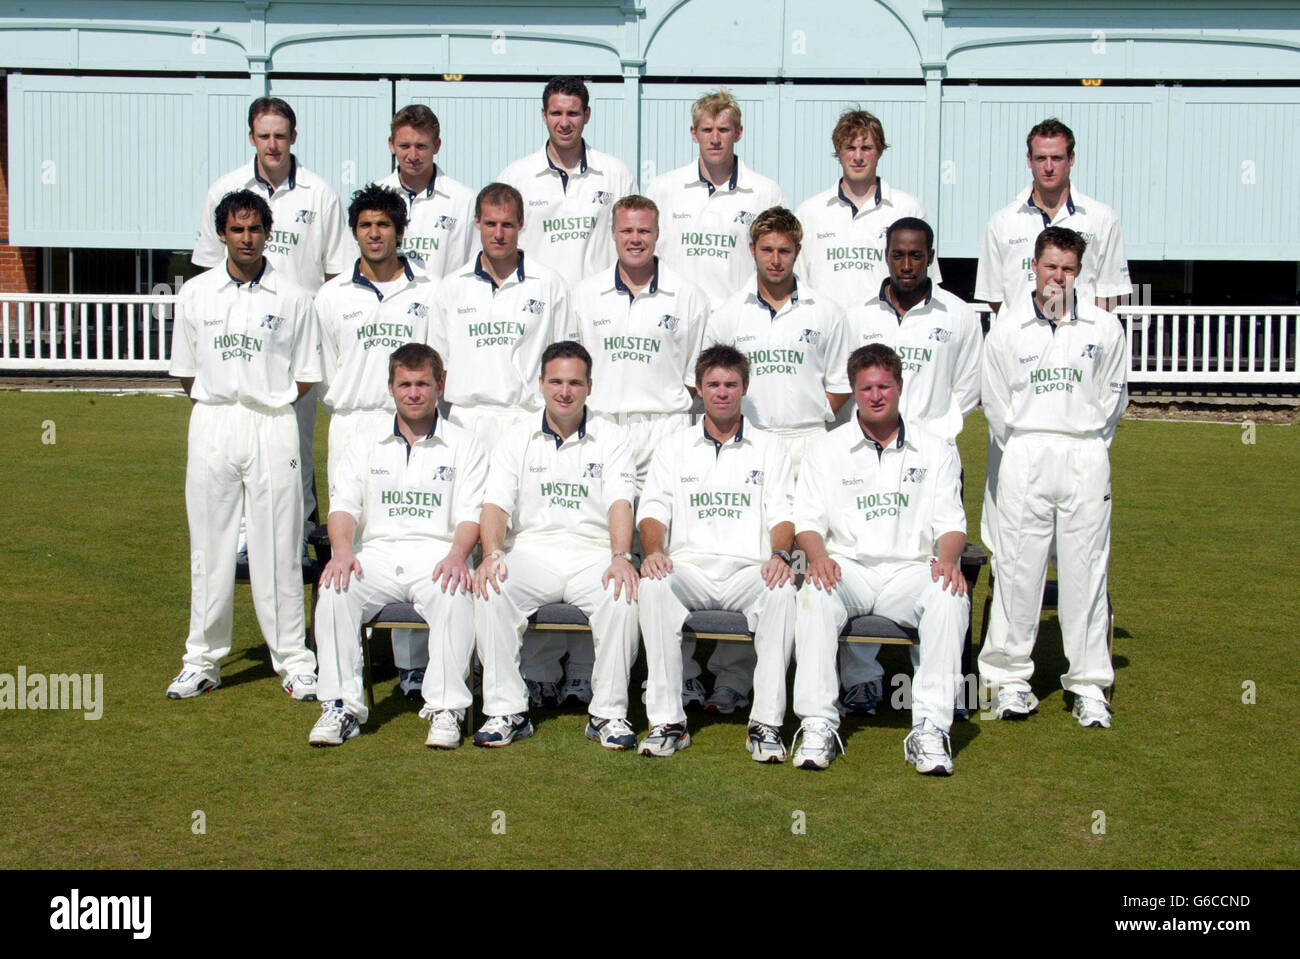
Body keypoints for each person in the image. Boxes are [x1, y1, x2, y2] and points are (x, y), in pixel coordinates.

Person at [165, 189, 321, 700]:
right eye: (237, 229)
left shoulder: (294, 297)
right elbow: (187, 373)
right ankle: (203, 658)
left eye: (255, 229)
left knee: (279, 545)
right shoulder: (195, 294)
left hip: (273, 421)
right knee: (209, 544)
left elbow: (304, 376)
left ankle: (294, 659)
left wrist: (267, 401)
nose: (247, 238)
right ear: (222, 234)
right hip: (213, 421)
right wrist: (224, 403)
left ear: (267, 233)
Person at [790, 344, 968, 775]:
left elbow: (951, 524)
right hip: (848, 569)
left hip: (911, 570)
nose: (875, 396)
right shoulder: (826, 449)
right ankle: (817, 723)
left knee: (949, 594)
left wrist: (946, 561)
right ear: (853, 391)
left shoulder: (936, 449)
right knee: (814, 590)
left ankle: (930, 728)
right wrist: (817, 557)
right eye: (865, 388)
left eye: (884, 386)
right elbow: (807, 521)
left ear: (900, 387)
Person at [978, 226, 1127, 729]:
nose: (1057, 276)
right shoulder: (1007, 329)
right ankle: (1009, 680)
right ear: (1034, 267)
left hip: (1083, 452)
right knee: (1018, 566)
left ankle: (1088, 685)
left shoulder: (1104, 329)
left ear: (1079, 272)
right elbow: (995, 403)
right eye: (1049, 266)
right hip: (1024, 451)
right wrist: (1023, 446)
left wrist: (1081, 444)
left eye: (1067, 268)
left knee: (1086, 570)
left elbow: (1112, 401)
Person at [837, 216, 981, 715]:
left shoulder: (959, 316)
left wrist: (932, 439)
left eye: (916, 255)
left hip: (930, 459)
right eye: (898, 254)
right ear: (886, 254)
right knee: (862, 558)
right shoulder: (857, 317)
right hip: (870, 454)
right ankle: (861, 682)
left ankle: (938, 687)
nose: (906, 264)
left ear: (931, 256)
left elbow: (967, 387)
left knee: (938, 570)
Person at [307, 343, 486, 748]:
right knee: (335, 588)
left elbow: (470, 517)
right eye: (404, 383)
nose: (414, 393)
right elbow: (344, 508)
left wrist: (458, 556)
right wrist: (341, 552)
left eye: (423, 383)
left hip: (437, 554)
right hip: (378, 554)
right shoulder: (365, 442)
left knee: (456, 590)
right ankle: (340, 707)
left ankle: (446, 710)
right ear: (390, 387)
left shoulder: (465, 444)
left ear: (440, 385)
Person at [974, 118, 1132, 569]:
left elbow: (1109, 301)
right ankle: (1010, 592)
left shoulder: (1101, 219)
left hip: (1078, 379)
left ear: (1071, 159)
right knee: (1009, 509)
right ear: (1028, 160)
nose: (1048, 167)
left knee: (1081, 531)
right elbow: (998, 305)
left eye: (1057, 157)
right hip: (1022, 384)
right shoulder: (1003, 223)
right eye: (1040, 158)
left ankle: (1079, 606)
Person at [192, 97, 351, 540]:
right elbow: (207, 272)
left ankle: (294, 535)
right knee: (234, 441)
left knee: (293, 446)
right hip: (238, 342)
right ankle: (242, 537)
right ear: (251, 138)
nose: (273, 144)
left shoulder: (319, 194)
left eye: (280, 135)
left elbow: (336, 273)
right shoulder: (224, 189)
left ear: (293, 137)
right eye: (264, 135)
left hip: (297, 340)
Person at [471, 342, 640, 750]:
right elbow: (495, 504)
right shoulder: (516, 438)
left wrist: (620, 557)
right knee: (492, 587)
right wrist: (492, 553)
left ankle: (608, 713)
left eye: (575, 383)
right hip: (531, 552)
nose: (565, 391)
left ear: (590, 387)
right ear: (541, 384)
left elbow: (621, 502)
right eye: (557, 382)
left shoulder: (614, 439)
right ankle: (506, 709)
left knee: (623, 594)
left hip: (592, 554)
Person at [636, 345, 797, 761]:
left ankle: (766, 724)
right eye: (713, 384)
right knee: (652, 583)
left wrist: (780, 555)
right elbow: (653, 510)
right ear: (698, 389)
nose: (722, 392)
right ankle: (667, 721)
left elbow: (783, 515)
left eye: (730, 384)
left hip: (749, 572)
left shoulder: (770, 448)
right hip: (689, 568)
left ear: (745, 388)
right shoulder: (674, 447)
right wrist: (653, 551)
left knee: (782, 592)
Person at [314, 183, 442, 701]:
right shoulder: (331, 296)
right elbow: (328, 369)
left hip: (410, 420)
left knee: (410, 535)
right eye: (365, 225)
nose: (374, 233)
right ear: (354, 233)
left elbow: (434, 363)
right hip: (352, 422)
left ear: (400, 231)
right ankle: (353, 665)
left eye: (383, 225)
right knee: (356, 543)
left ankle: (415, 664)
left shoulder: (428, 292)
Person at [704, 206, 852, 472]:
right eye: (766, 250)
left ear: (798, 250)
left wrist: (811, 412)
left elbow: (841, 382)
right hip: (749, 437)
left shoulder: (827, 312)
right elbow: (710, 381)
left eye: (784, 251)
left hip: (809, 439)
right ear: (752, 250)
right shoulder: (727, 315)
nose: (775, 260)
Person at [431, 182, 573, 452]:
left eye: (507, 224)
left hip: (528, 421)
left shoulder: (550, 284)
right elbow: (440, 364)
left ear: (521, 223)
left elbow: (566, 362)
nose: (498, 234)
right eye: (490, 224)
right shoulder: (451, 287)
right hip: (465, 420)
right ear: (477, 222)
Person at [646, 89, 788, 308]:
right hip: (675, 315)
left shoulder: (765, 193)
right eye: (707, 130)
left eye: (723, 130)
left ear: (738, 132)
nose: (715, 139)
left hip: (737, 318)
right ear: (694, 133)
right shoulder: (663, 188)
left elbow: (779, 263)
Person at [498, 77, 637, 288]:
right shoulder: (515, 177)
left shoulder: (616, 174)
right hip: (537, 305)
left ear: (587, 115)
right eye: (556, 113)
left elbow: (634, 244)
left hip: (598, 305)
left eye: (572, 113)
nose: (564, 123)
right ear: (544, 115)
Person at [795, 108, 936, 311]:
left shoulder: (907, 208)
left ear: (880, 151)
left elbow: (927, 282)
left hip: (884, 330)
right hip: (827, 331)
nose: (858, 157)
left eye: (867, 148)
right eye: (850, 148)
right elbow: (799, 282)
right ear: (838, 152)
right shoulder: (810, 211)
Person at [377, 104, 476, 278]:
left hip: (444, 304)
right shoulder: (376, 197)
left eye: (421, 146)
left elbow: (474, 267)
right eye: (404, 146)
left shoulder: (465, 200)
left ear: (436, 146)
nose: (413, 156)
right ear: (391, 145)